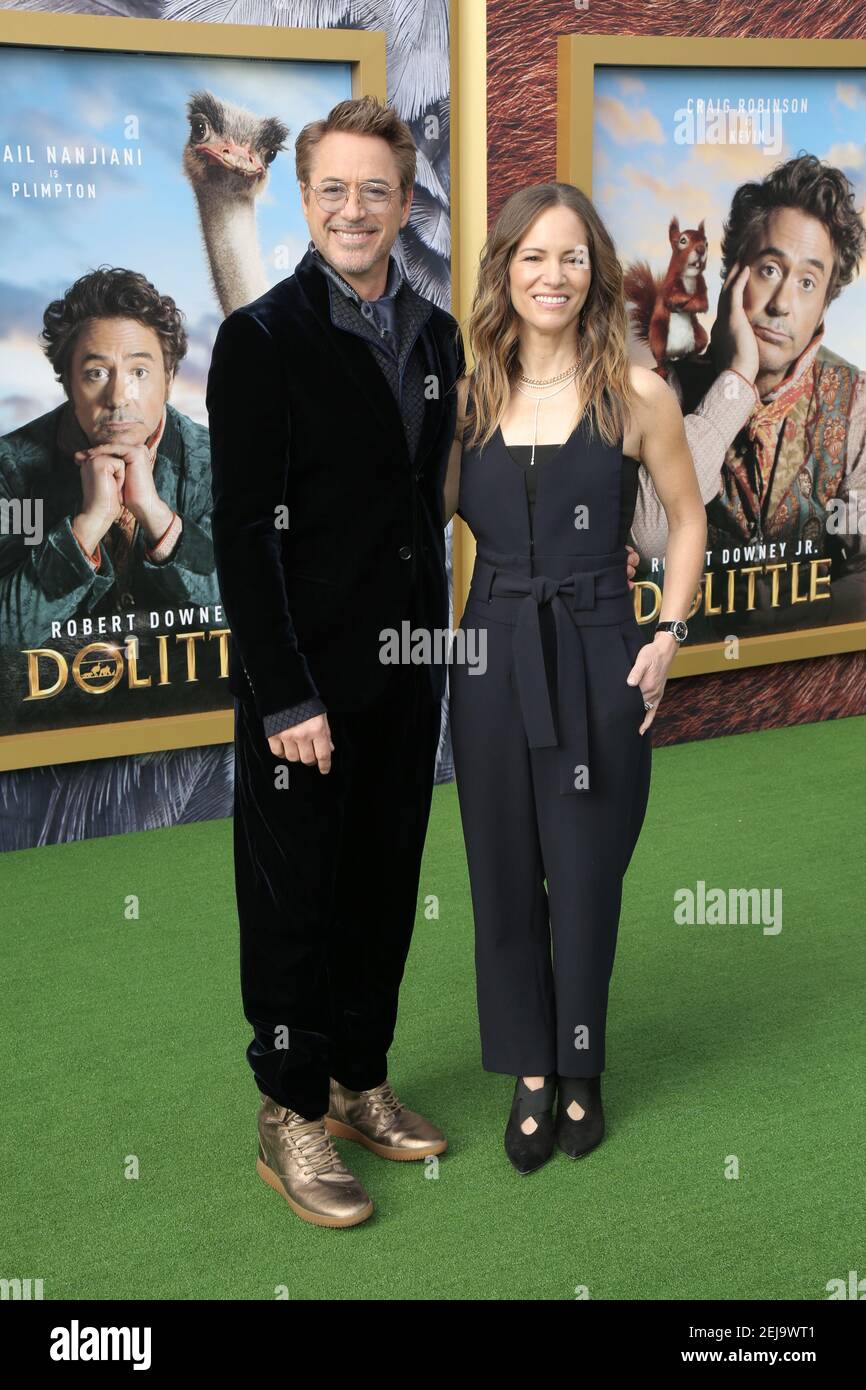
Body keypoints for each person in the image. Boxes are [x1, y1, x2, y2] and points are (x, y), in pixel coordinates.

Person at [206, 96, 466, 1228]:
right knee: (294, 903)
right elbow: (240, 533)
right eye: (333, 190)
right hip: (301, 688)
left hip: (408, 668)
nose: (355, 209)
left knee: (379, 884)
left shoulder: (438, 337)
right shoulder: (258, 340)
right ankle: (288, 1109)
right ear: (305, 201)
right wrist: (284, 695)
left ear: (404, 203)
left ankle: (359, 1080)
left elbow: (435, 495)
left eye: (376, 190)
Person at [445, 183, 707, 1174]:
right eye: (531, 258)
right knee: (503, 872)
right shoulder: (463, 396)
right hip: (486, 658)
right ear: (502, 273)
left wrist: (669, 633)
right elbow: (407, 522)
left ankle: (580, 1063)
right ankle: (527, 1069)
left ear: (591, 270)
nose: (551, 276)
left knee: (586, 874)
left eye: (570, 257)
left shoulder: (636, 394)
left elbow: (684, 520)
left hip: (601, 648)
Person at [630, 154, 866, 637]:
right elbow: (654, 538)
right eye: (769, 270)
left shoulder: (857, 401)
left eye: (807, 283)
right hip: (682, 681)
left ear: (824, 303)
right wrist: (736, 380)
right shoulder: (664, 389)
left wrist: (811, 612)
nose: (782, 305)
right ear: (733, 275)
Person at [0, 267, 218, 651]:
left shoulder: (215, 463)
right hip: (56, 705)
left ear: (168, 378)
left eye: (139, 371)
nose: (119, 397)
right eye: (97, 373)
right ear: (67, 381)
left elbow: (259, 605)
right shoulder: (13, 470)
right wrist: (87, 526)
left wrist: (157, 518)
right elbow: (6, 629)